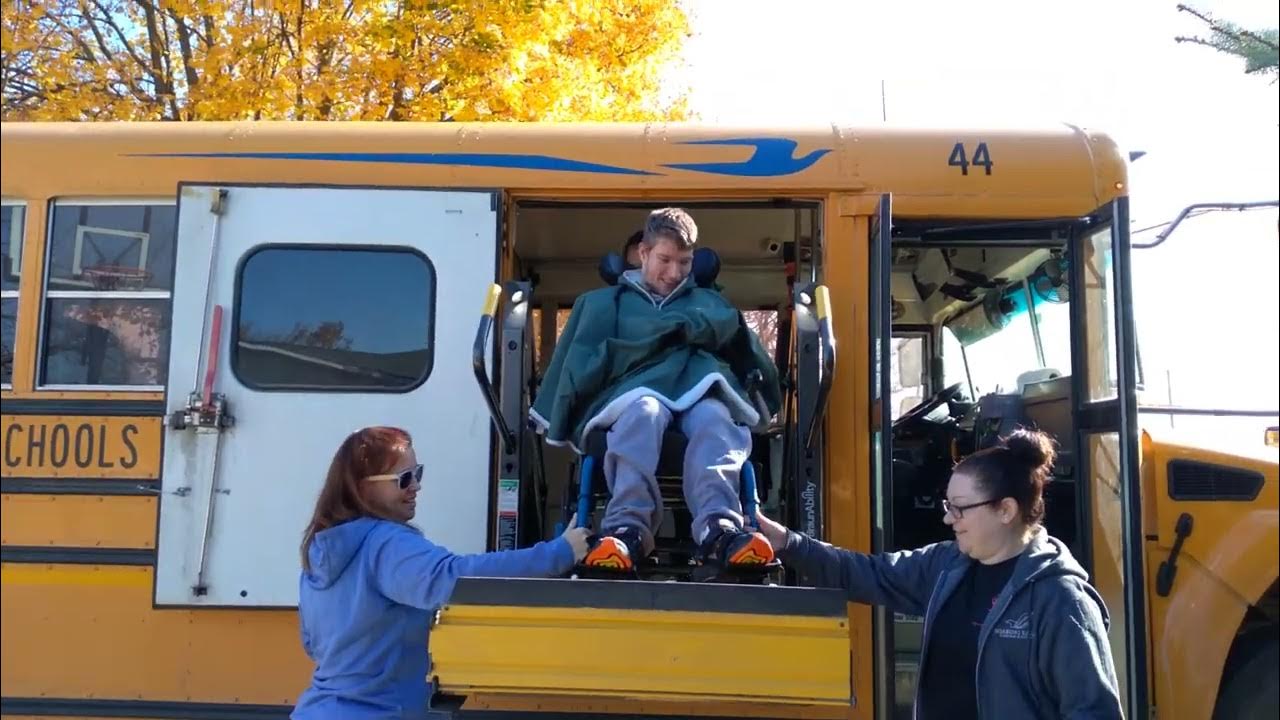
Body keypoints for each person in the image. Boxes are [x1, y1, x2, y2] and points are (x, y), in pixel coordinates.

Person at [755, 428, 1124, 720]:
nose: (949, 518)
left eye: (960, 508)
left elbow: (1093, 711)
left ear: (1006, 510)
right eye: (949, 505)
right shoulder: (947, 566)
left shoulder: (1062, 602)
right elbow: (867, 573)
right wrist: (787, 542)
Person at [530, 207, 782, 573]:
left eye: (684, 262)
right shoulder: (603, 305)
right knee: (644, 411)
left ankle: (720, 528)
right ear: (644, 253)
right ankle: (627, 530)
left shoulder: (710, 303)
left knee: (715, 418)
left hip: (699, 390)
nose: (674, 272)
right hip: (634, 393)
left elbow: (745, 353)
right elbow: (580, 363)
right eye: (665, 259)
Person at [291, 426, 590, 720]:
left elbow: (312, 644)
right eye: (404, 479)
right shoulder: (385, 544)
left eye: (417, 474)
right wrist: (559, 553)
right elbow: (454, 578)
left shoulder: (319, 552)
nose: (416, 486)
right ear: (362, 487)